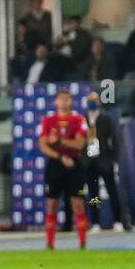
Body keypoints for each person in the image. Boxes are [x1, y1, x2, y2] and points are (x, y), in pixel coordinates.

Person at [38, 88, 89, 250]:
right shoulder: (48, 120)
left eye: (67, 98)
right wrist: (61, 156)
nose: (64, 101)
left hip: (74, 164)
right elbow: (43, 145)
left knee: (77, 202)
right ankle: (50, 243)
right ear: (56, 102)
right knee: (52, 203)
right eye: (61, 99)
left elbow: (79, 144)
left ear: (71, 101)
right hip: (55, 164)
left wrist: (59, 141)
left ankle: (82, 241)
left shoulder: (78, 119)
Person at [82, 90, 128, 231]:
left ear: (99, 102)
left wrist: (113, 159)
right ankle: (95, 222)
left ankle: (118, 221)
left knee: (112, 190)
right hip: (89, 161)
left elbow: (114, 139)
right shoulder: (82, 119)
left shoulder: (106, 118)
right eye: (90, 100)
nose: (92, 102)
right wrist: (83, 159)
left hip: (104, 160)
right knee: (93, 193)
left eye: (94, 100)